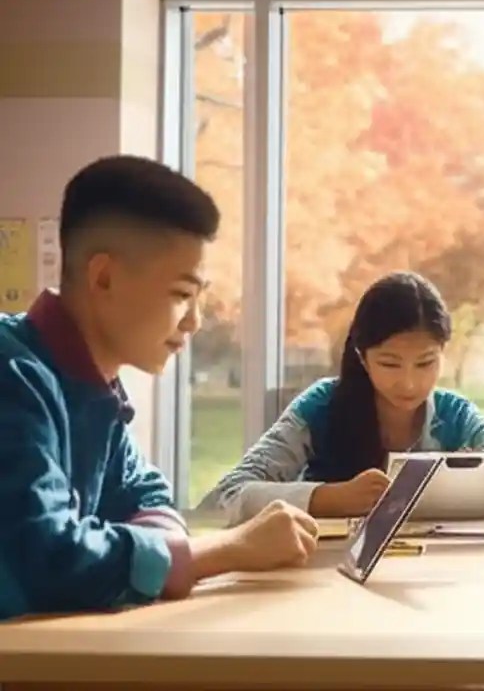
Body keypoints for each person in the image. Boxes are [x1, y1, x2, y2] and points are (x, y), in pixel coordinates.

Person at [0, 155, 318, 620]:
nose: (195, 320)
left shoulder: (93, 386)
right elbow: (53, 559)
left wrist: (151, 554)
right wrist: (225, 550)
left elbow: (145, 496)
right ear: (103, 277)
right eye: (181, 294)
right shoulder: (14, 374)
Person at [206, 271, 484, 525]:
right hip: (318, 573)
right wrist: (332, 498)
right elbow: (231, 495)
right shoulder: (321, 407)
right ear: (362, 356)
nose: (409, 383)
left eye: (426, 363)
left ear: (443, 353)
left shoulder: (455, 416)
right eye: (389, 364)